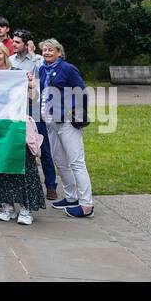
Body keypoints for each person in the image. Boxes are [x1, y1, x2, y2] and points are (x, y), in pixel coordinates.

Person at [0, 42, 46, 225]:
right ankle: (7, 205)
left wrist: (31, 84)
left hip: (16, 126)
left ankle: (25, 208)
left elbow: (34, 98)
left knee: (21, 165)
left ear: (4, 54)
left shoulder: (18, 73)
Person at [38, 38, 95, 218]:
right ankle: (71, 198)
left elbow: (82, 91)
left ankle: (87, 205)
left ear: (59, 52)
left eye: (50, 50)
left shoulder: (68, 69)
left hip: (68, 121)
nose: (46, 52)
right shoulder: (42, 69)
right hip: (50, 120)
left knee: (76, 161)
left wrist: (77, 112)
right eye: (44, 50)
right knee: (60, 161)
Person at [10, 29, 57, 202]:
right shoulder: (10, 60)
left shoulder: (38, 62)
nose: (13, 45)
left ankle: (51, 185)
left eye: (17, 42)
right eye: (13, 42)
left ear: (27, 44)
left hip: (34, 108)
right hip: (16, 107)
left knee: (42, 146)